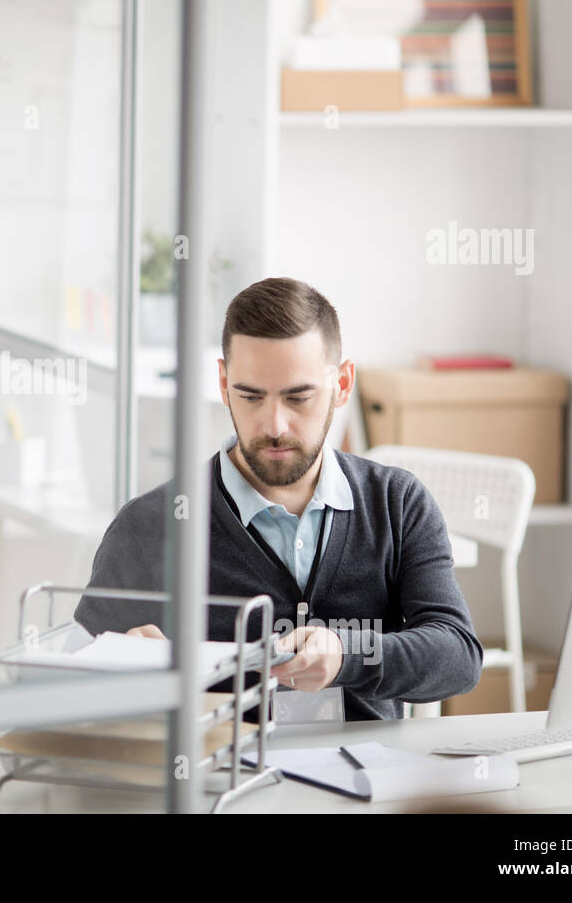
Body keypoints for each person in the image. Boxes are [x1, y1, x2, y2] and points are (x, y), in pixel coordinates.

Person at [73, 277, 483, 720]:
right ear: (223, 382)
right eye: (250, 396)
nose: (275, 426)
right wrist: (123, 672)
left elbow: (457, 654)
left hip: (367, 763)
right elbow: (74, 685)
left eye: (298, 397)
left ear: (343, 384)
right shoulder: (152, 525)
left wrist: (347, 655)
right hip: (220, 763)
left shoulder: (396, 504)